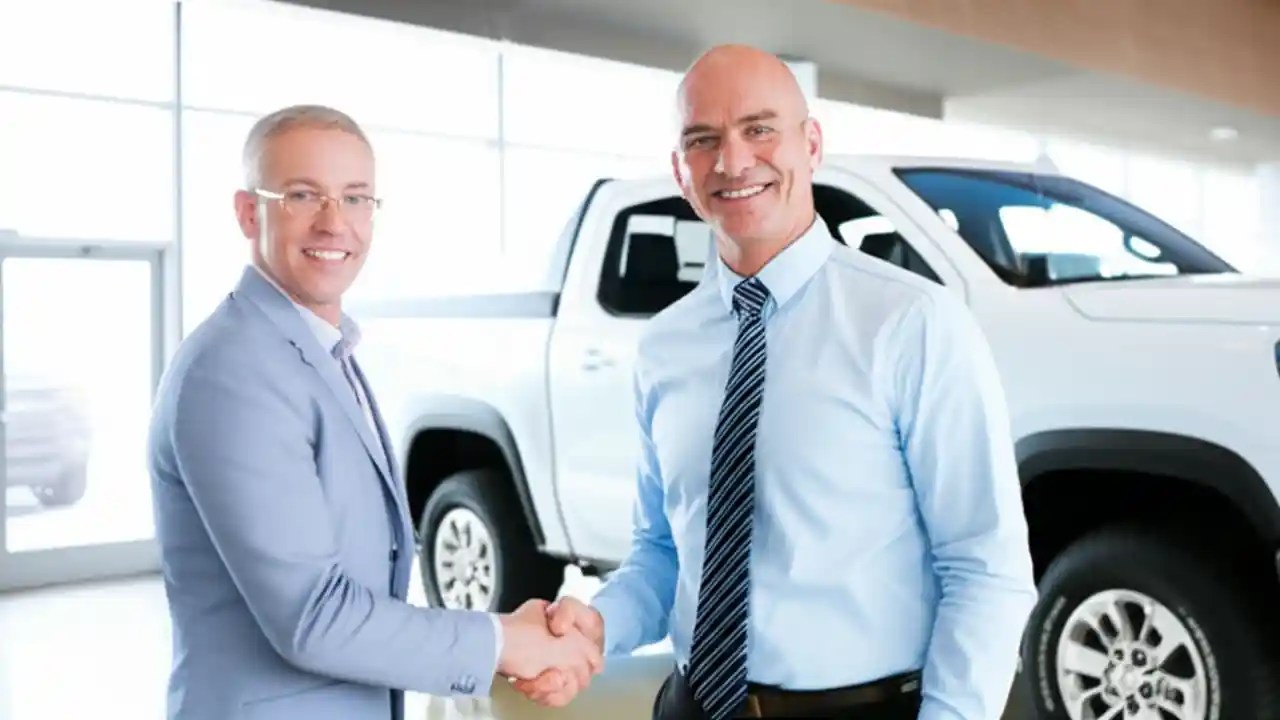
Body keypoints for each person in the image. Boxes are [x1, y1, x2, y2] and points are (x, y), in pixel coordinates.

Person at [514, 45, 1038, 719]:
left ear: (811, 144)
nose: (732, 162)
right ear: (681, 170)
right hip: (692, 705)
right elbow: (660, 553)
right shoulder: (665, 345)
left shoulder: (914, 324)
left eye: (759, 129)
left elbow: (984, 566)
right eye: (703, 140)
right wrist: (597, 624)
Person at [146, 104, 601, 720]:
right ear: (249, 212)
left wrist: (504, 628)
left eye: (356, 198)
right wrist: (505, 643)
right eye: (304, 195)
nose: (336, 223)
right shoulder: (234, 371)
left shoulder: (322, 350)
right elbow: (314, 617)